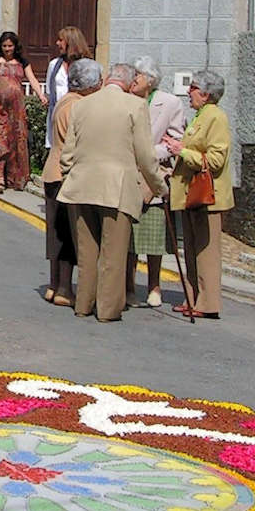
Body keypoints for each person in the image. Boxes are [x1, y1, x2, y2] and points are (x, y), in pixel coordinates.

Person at [58, 61, 165, 322]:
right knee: (113, 253)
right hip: (117, 188)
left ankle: (83, 304)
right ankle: (107, 309)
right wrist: (160, 185)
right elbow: (145, 155)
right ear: (128, 83)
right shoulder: (136, 106)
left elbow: (67, 153)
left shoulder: (82, 105)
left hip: (81, 185)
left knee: (87, 252)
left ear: (107, 79)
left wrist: (69, 174)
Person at [169, 68, 234, 319]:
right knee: (193, 250)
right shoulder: (201, 116)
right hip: (191, 193)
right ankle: (193, 297)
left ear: (206, 94)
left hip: (208, 196)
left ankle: (207, 303)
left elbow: (216, 159)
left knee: (206, 252)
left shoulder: (216, 117)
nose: (189, 91)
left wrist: (181, 151)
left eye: (193, 87)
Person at [40, 56, 101, 306]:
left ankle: (55, 285)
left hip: (53, 171)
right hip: (65, 175)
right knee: (66, 232)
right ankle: (64, 288)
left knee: (57, 231)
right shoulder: (78, 106)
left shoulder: (66, 101)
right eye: (98, 82)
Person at [127, 56, 188, 308]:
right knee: (129, 238)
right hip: (129, 173)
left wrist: (153, 152)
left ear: (150, 80)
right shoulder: (127, 101)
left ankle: (154, 286)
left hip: (153, 176)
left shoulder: (170, 103)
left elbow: (176, 140)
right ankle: (128, 287)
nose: (133, 81)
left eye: (137, 76)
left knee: (153, 236)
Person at [0, 31, 44, 193]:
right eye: (4, 46)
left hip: (16, 109)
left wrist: (40, 94)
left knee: (15, 142)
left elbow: (32, 79)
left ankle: (13, 177)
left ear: (15, 46)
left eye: (10, 46)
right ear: (0, 46)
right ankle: (0, 179)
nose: (7, 49)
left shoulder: (22, 62)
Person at [44, 26, 91, 154]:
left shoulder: (86, 66)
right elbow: (49, 91)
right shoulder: (54, 65)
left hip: (79, 115)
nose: (57, 43)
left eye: (61, 40)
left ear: (70, 42)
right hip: (58, 115)